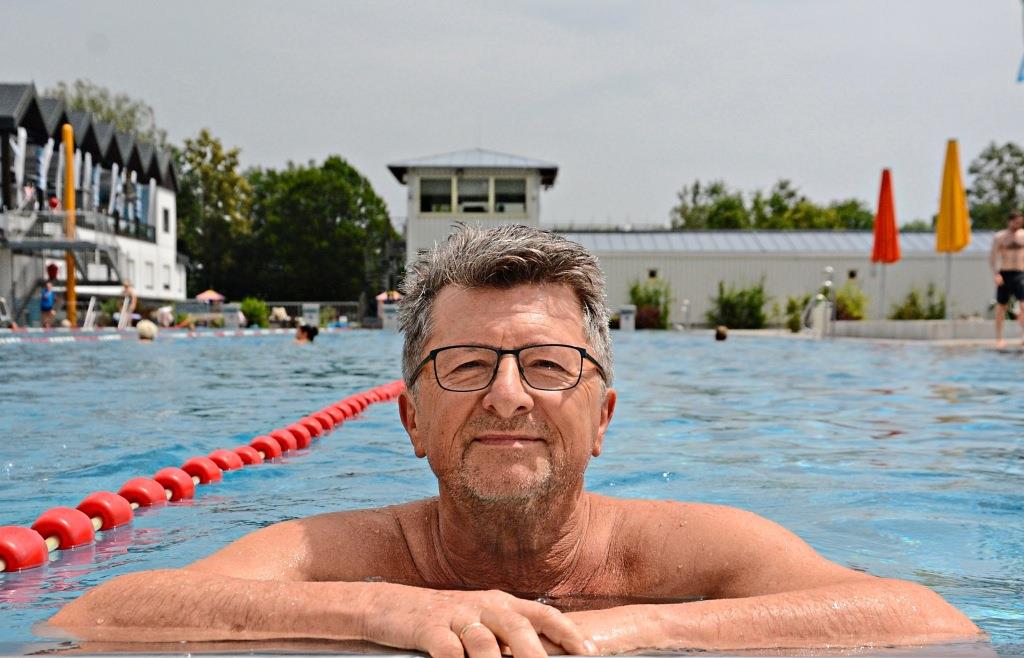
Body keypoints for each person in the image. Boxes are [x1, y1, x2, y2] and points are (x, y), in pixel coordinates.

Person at [51, 225, 979, 654]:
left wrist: (641, 627)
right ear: (410, 420)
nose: (507, 397)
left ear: (603, 417)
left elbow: (928, 621)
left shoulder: (686, 550)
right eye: (463, 366)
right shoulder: (352, 556)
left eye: (545, 365)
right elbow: (95, 615)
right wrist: (379, 612)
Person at [990, 211, 1024, 348]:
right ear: (1010, 221)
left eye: (1020, 222)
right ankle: (999, 338)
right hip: (1004, 274)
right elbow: (992, 257)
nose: (1018, 224)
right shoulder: (1000, 237)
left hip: (1020, 273)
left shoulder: (1023, 235)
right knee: (1000, 307)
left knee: (1023, 305)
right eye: (1016, 222)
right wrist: (996, 274)